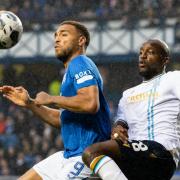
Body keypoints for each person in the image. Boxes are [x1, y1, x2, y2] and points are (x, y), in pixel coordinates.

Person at [0, 20, 111, 180]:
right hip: (68, 155)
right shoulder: (69, 72)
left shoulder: (80, 62)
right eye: (56, 35)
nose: (57, 39)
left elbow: (90, 103)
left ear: (81, 41)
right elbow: (63, 119)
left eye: (64, 34)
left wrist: (51, 98)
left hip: (86, 155)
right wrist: (30, 104)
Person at [82, 39, 180, 180]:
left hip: (161, 153)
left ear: (164, 59)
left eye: (150, 52)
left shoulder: (174, 78)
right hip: (135, 157)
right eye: (141, 53)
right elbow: (121, 123)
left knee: (92, 152)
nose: (143, 56)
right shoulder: (128, 94)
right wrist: (118, 128)